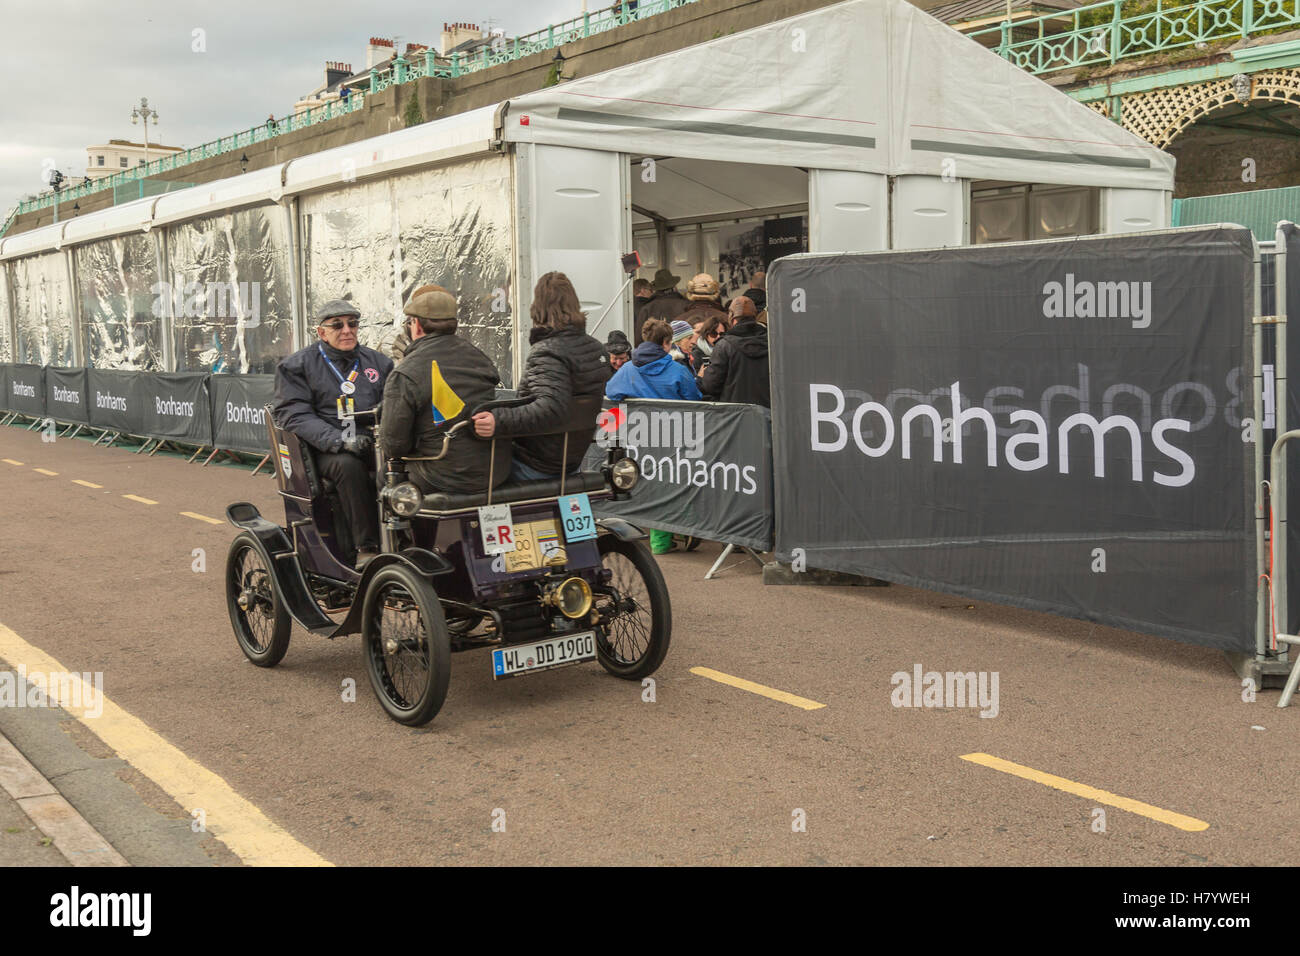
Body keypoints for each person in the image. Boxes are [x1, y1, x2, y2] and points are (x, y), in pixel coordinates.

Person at [273, 299, 393, 568]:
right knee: (348, 466)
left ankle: (405, 536)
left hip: (373, 443)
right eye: (337, 325)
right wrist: (339, 441)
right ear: (321, 332)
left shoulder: (378, 362)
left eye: (353, 324)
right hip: (324, 451)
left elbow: (396, 402)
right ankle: (367, 547)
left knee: (405, 462)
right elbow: (294, 414)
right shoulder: (297, 366)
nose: (347, 330)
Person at [471, 272, 611, 480]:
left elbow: (550, 408)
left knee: (470, 472)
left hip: (534, 464)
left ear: (538, 307)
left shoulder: (548, 351)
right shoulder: (596, 350)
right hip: (571, 460)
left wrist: (498, 420)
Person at [380, 289, 509, 494]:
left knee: (384, 478)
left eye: (410, 322)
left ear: (417, 326)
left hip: (442, 474)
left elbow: (394, 446)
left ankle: (408, 528)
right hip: (495, 470)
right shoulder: (479, 358)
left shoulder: (406, 372)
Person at [606, 319, 702, 402]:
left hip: (638, 421)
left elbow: (611, 393)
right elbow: (695, 400)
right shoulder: (680, 371)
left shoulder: (626, 370)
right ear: (665, 343)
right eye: (670, 343)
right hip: (673, 422)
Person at [701, 294, 770, 407]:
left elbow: (711, 385)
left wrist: (702, 377)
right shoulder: (771, 342)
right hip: (767, 414)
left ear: (732, 317)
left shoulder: (724, 345)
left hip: (734, 416)